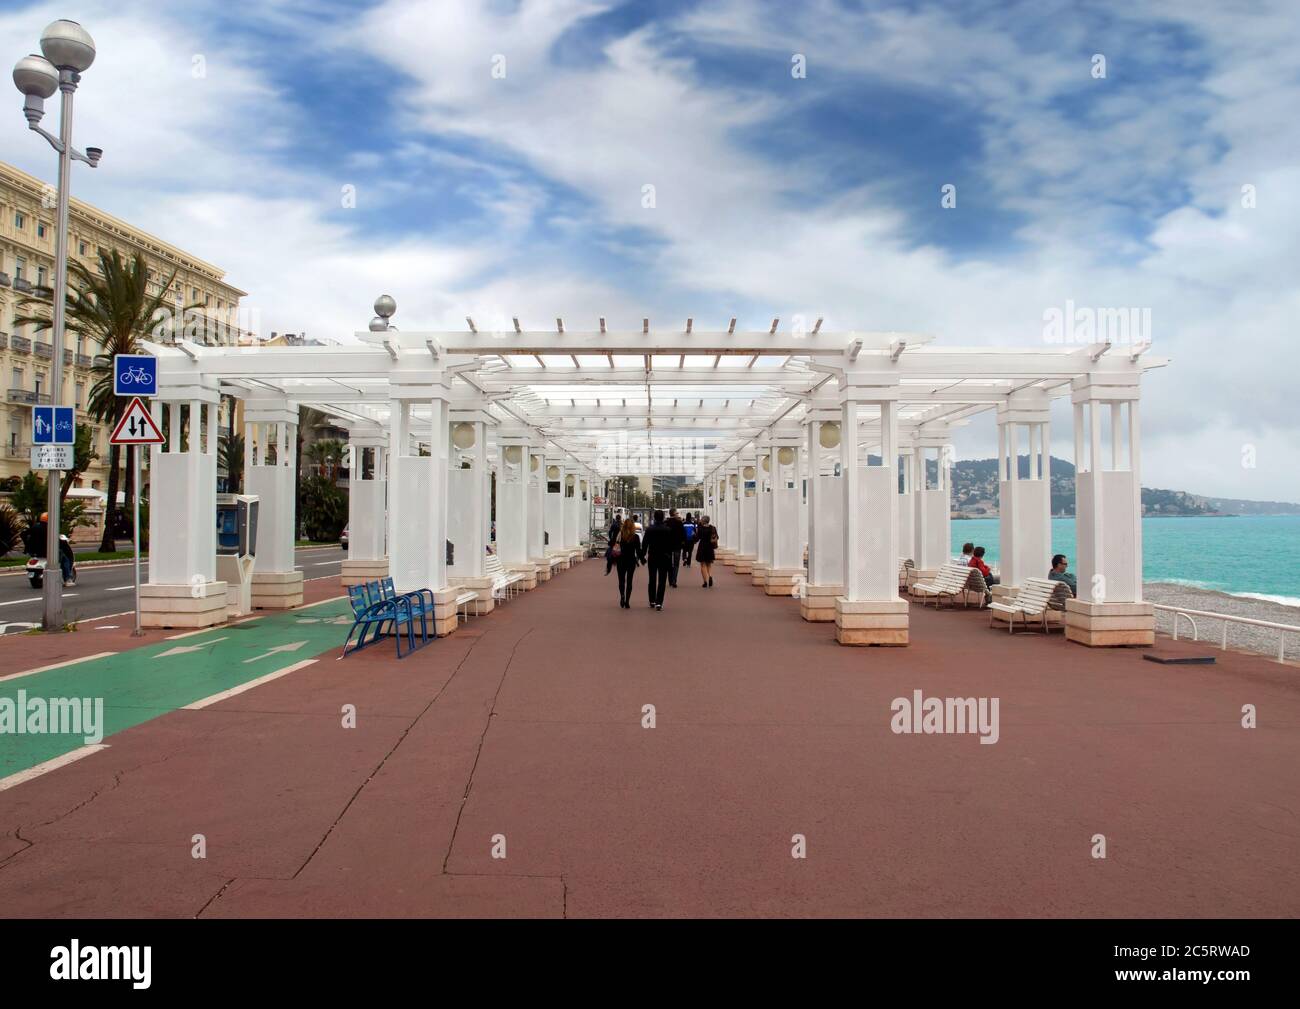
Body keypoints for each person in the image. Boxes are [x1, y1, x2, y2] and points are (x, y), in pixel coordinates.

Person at [639, 509, 674, 609]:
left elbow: (645, 544)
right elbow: (670, 545)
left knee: (652, 579)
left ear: (654, 517)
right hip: (664, 557)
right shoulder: (667, 530)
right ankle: (659, 602)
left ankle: (652, 600)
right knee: (662, 580)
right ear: (663, 517)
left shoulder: (650, 529)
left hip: (652, 556)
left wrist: (642, 557)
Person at [613, 518, 641, 608]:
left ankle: (622, 596)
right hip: (631, 561)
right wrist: (642, 558)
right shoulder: (635, 537)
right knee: (629, 581)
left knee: (621, 580)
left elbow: (615, 545)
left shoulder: (620, 535)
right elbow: (638, 550)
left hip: (621, 560)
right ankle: (627, 601)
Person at [693, 514, 718, 587]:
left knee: (703, 564)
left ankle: (705, 582)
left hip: (702, 547)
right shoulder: (713, 528)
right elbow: (717, 537)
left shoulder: (700, 529)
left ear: (703, 521)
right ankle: (710, 576)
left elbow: (697, 538)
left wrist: (693, 536)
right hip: (710, 547)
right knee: (709, 564)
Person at [665, 508, 687, 588]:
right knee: (676, 564)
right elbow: (683, 534)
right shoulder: (679, 522)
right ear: (674, 513)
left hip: (668, 546)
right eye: (676, 512)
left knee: (669, 564)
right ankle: (674, 580)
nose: (677, 514)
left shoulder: (666, 522)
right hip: (677, 546)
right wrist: (683, 543)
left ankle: (670, 580)